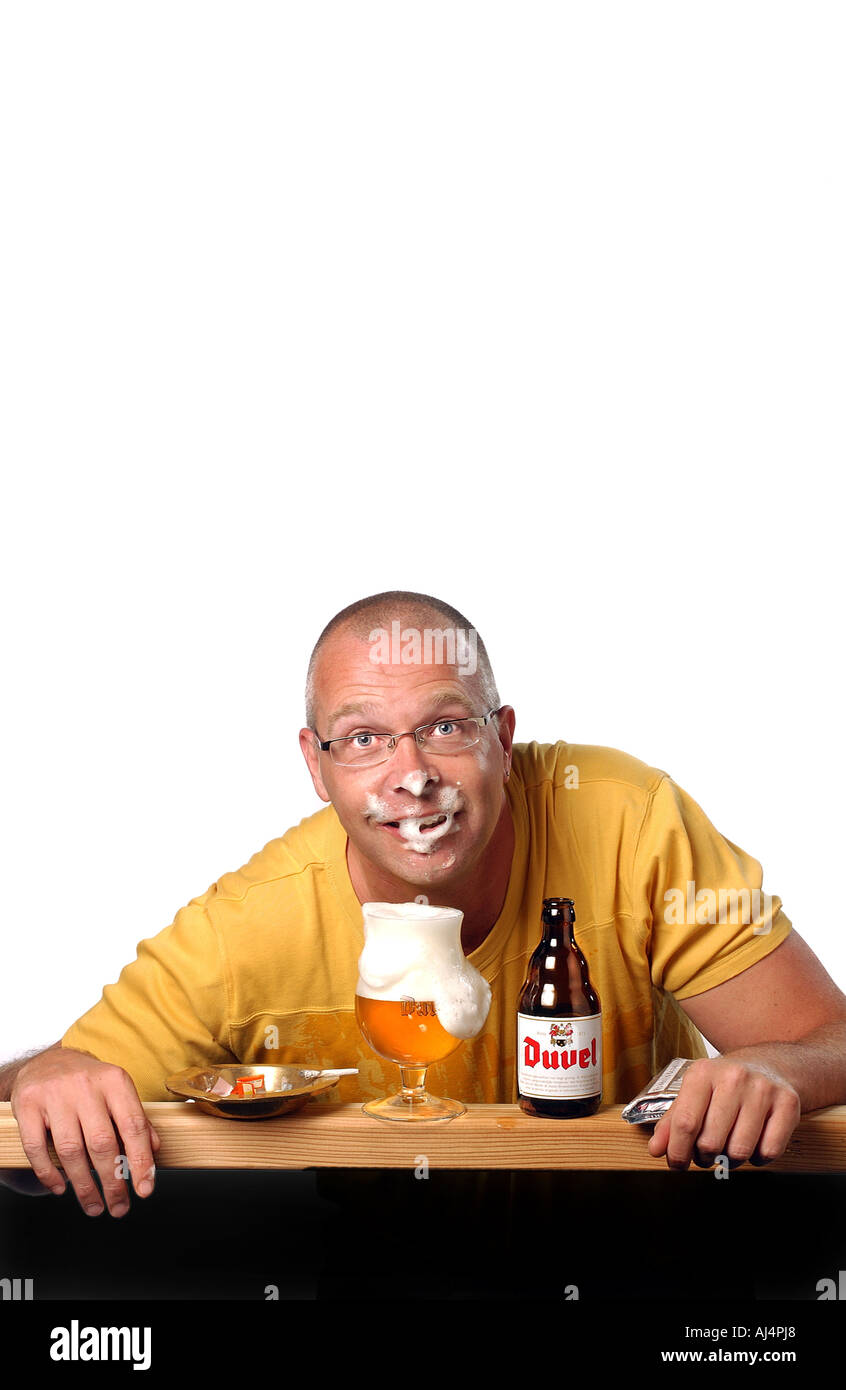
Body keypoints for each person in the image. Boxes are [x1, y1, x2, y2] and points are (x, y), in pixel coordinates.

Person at [3, 590, 846, 1220]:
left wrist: (778, 1071)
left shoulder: (628, 821)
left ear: (502, 737)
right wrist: (44, 1075)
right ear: (316, 763)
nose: (412, 775)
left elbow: (831, 1039)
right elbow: (34, 1120)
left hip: (652, 1261)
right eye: (364, 739)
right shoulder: (245, 930)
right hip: (382, 1283)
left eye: (446, 726)